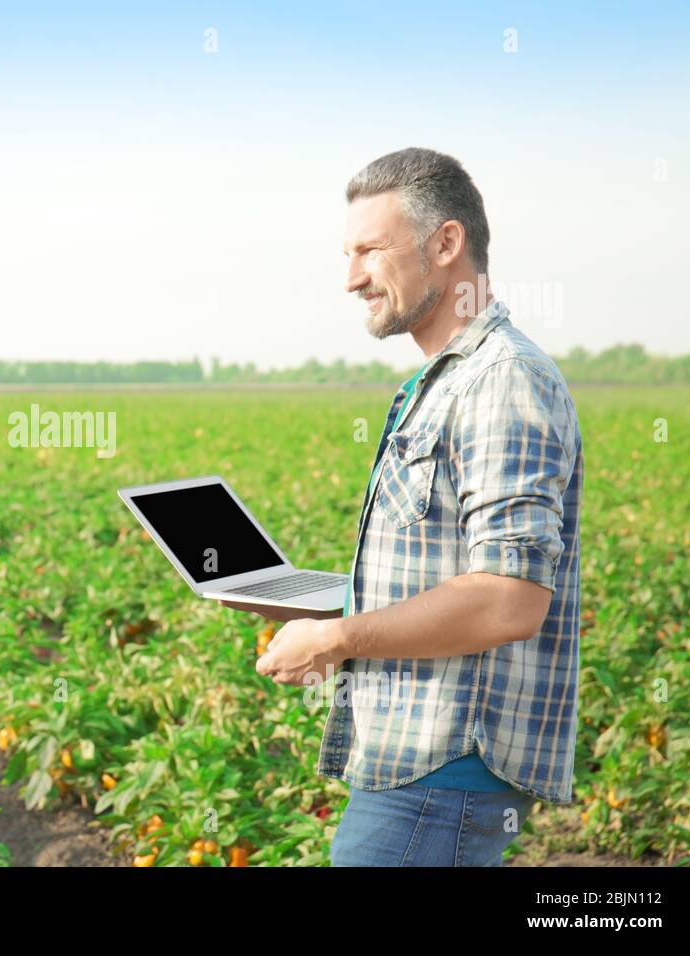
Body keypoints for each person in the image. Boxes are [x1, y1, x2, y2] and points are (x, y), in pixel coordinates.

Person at [221, 148, 583, 866]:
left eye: (370, 251)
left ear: (446, 244)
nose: (352, 278)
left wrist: (336, 640)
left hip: (440, 773)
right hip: (412, 767)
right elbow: (443, 571)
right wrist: (324, 606)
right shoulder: (440, 382)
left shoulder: (501, 380)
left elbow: (509, 600)